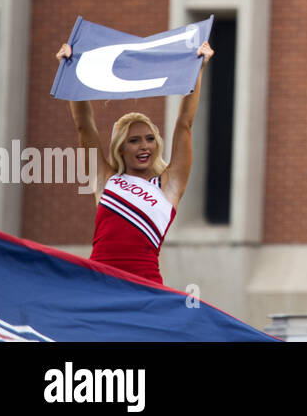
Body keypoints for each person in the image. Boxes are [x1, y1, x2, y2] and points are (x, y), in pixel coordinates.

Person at [55, 39, 214, 285]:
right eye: (134, 140)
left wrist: (198, 69)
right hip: (99, 282)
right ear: (121, 147)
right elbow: (84, 125)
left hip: (144, 287)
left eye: (150, 139)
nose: (144, 145)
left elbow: (185, 123)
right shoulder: (106, 180)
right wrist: (72, 69)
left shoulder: (169, 185)